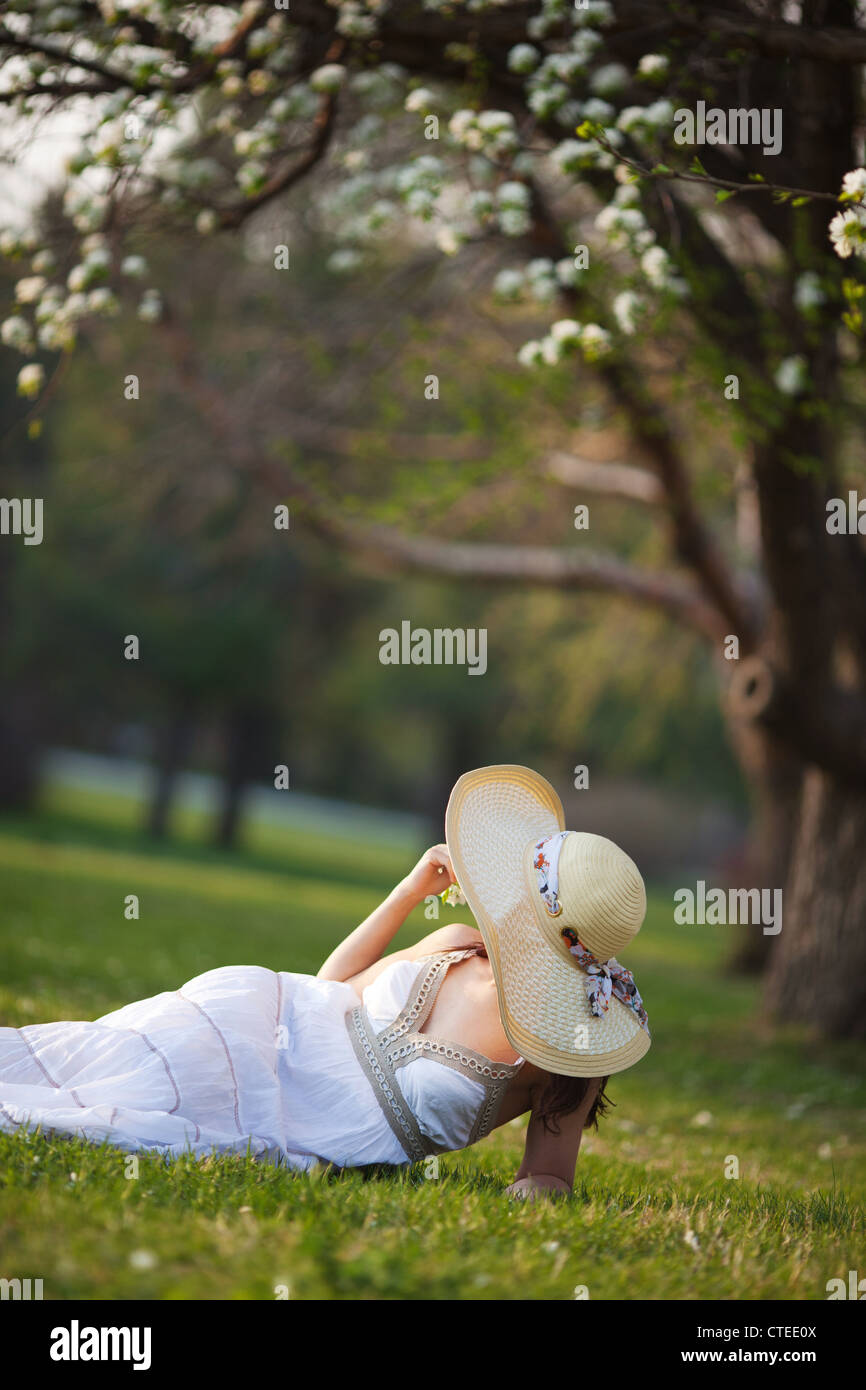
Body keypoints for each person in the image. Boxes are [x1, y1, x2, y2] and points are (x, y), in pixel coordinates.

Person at [0, 765, 651, 1201]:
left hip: (290, 1115)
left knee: (111, 1105)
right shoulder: (457, 945)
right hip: (253, 1017)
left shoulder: (566, 1047)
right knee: (80, 1059)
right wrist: (405, 893)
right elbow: (330, 988)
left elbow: (544, 1179)